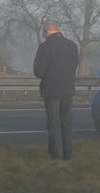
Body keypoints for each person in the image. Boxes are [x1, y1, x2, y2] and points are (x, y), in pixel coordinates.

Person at [33, 21, 79, 160]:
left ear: (46, 31)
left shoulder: (45, 47)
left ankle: (55, 155)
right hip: (68, 88)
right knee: (66, 122)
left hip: (51, 89)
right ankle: (68, 154)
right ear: (57, 30)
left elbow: (39, 71)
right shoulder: (72, 45)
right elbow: (75, 65)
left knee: (54, 123)